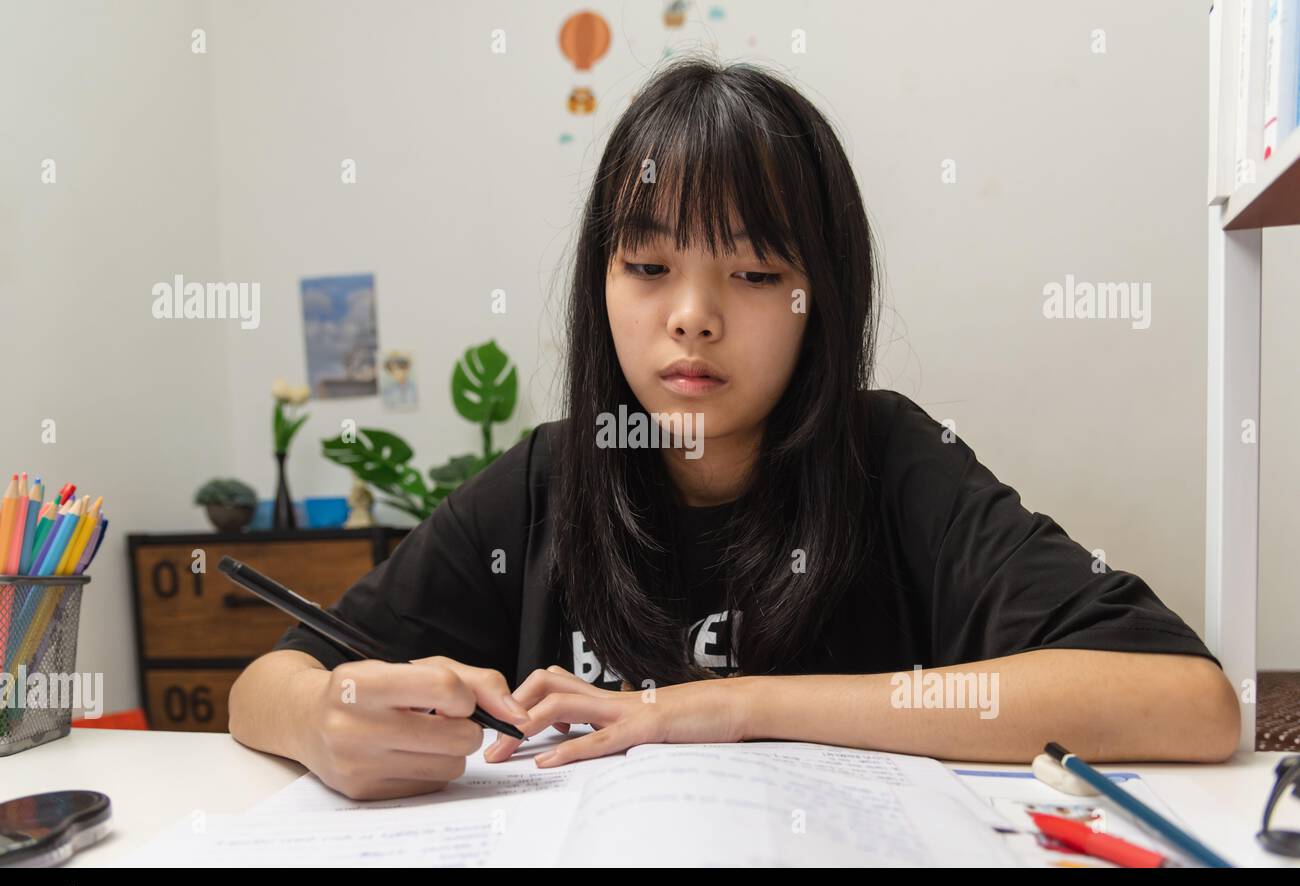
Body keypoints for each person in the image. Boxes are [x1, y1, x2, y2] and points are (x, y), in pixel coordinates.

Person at [228, 57, 1239, 801]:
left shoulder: (888, 463)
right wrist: (323, 722)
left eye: (755, 274)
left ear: (821, 296)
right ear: (602, 284)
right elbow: (267, 682)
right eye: (649, 267)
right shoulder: (551, 479)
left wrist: (723, 705)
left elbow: (1185, 702)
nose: (693, 316)